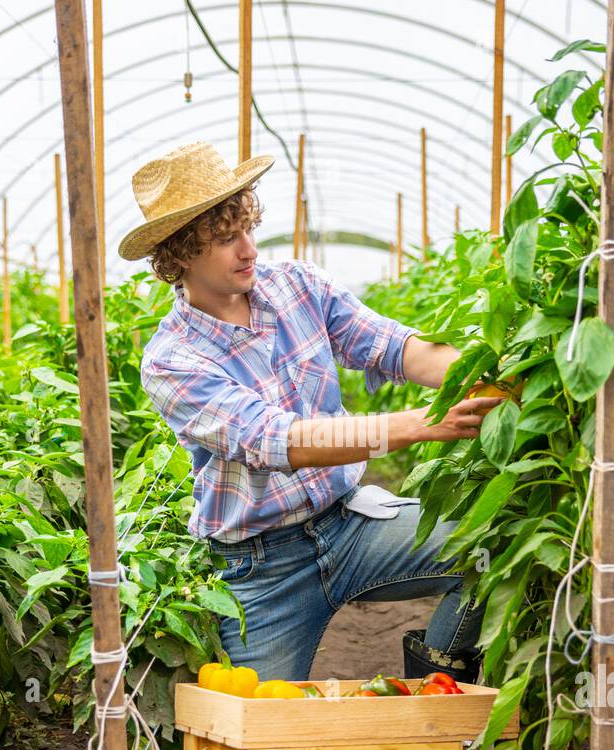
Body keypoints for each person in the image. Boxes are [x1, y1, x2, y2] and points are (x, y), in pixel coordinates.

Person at [120, 141, 503, 683]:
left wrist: (492, 374)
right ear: (179, 254)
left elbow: (395, 348)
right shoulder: (172, 359)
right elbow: (277, 441)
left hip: (349, 525)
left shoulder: (298, 287)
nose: (249, 249)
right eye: (227, 240)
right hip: (260, 569)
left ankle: (439, 714)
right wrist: (422, 425)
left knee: (494, 548)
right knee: (259, 731)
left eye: (248, 229)